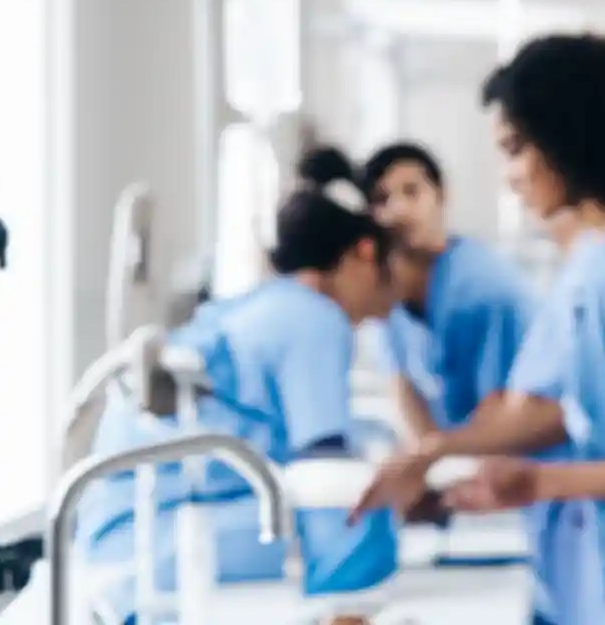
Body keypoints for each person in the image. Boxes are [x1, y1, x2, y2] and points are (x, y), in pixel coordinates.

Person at [351, 33, 605, 625]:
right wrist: (437, 452)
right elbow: (555, 408)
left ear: (570, 137)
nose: (509, 177)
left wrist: (536, 482)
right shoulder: (604, 258)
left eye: (516, 148)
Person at [65, 157, 400, 623]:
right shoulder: (316, 319)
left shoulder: (255, 305)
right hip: (153, 544)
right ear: (365, 253)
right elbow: (326, 472)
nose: (392, 298)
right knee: (364, 526)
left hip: (115, 539)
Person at [360, 142, 534, 434]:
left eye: (411, 191)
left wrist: (437, 456)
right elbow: (402, 385)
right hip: (455, 455)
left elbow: (502, 411)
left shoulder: (485, 288)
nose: (398, 209)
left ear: (441, 196)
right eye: (382, 199)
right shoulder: (389, 298)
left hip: (514, 454)